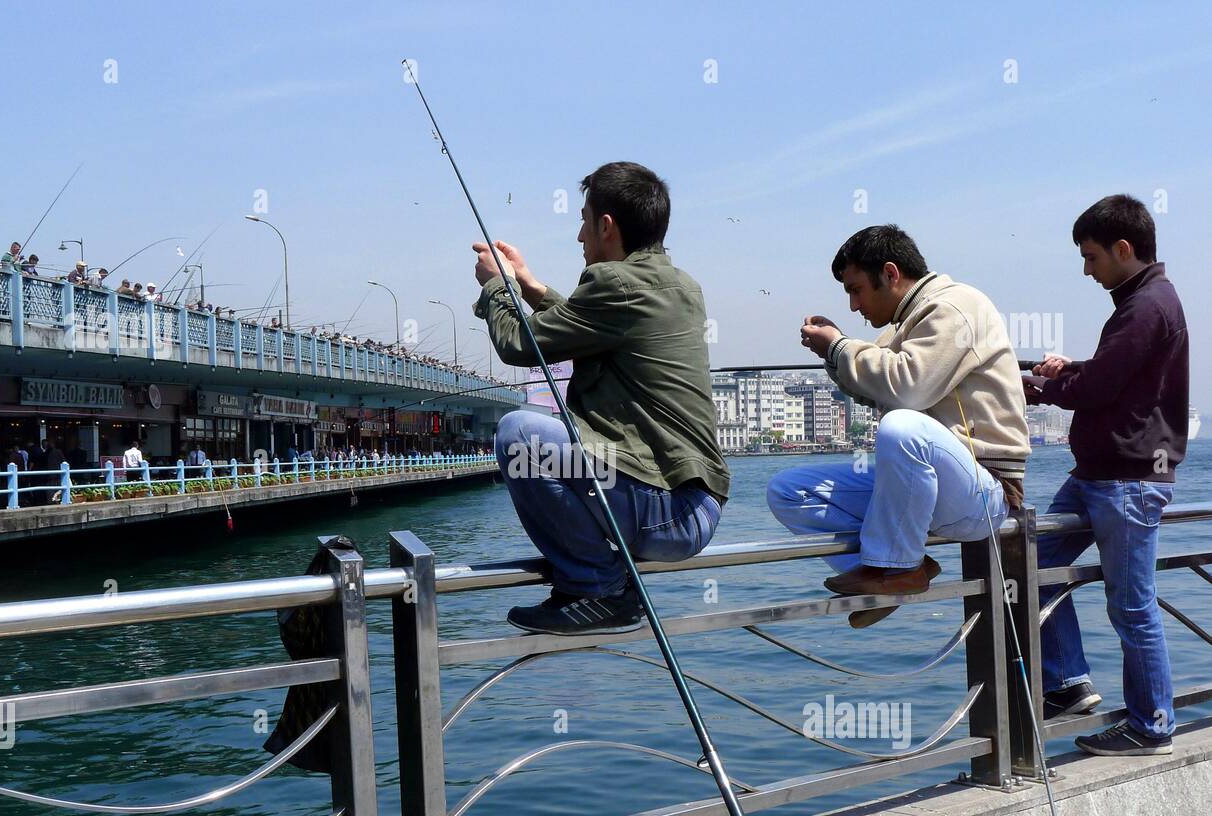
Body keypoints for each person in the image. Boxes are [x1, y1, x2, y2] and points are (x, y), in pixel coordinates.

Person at [477, 161, 728, 636]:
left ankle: (598, 587)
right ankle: (599, 583)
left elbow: (518, 344)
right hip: (696, 508)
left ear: (606, 226)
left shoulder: (615, 285)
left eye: (583, 220)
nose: (579, 237)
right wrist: (529, 286)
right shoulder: (681, 286)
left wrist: (495, 286)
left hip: (664, 513)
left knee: (518, 435)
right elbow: (594, 325)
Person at [766, 225, 1029, 628]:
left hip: (984, 491)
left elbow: (907, 388)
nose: (855, 305)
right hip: (933, 487)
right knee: (787, 491)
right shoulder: (909, 321)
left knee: (903, 427)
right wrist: (836, 351)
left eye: (856, 290)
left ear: (890, 274)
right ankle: (893, 571)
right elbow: (880, 385)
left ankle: (897, 568)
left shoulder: (953, 307)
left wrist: (837, 346)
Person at [1026, 196, 1187, 757]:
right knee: (1038, 566)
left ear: (1123, 249)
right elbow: (1108, 374)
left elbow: (1099, 391)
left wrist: (1046, 387)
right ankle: (1069, 684)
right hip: (1101, 475)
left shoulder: (1146, 307)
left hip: (1126, 479)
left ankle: (1151, 725)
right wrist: (1065, 368)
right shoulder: (1141, 303)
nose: (1086, 269)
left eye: (1091, 256)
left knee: (1132, 605)